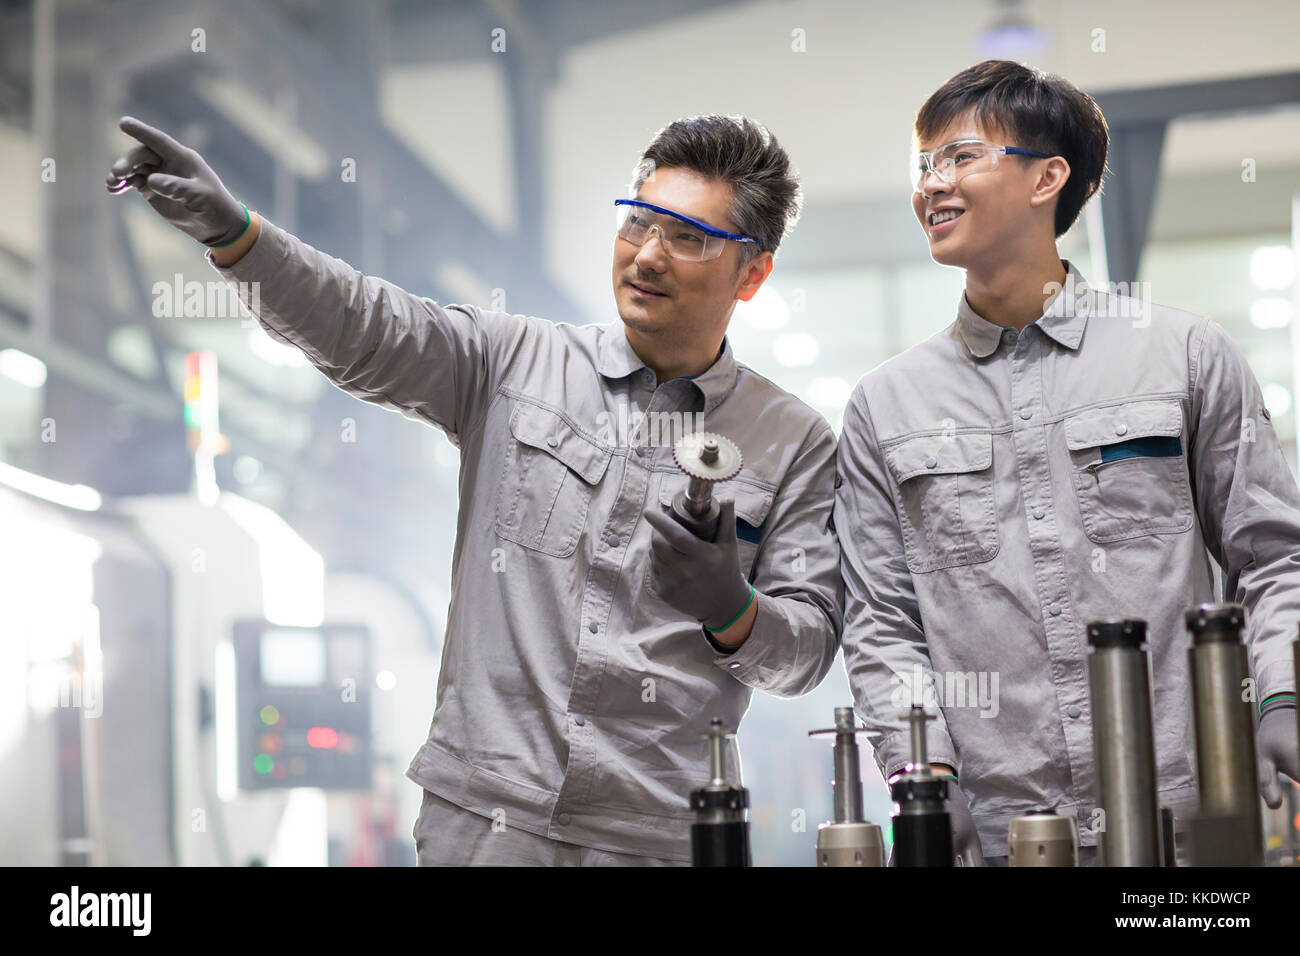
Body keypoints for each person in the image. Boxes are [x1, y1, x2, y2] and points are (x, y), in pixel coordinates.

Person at [107, 113, 842, 866]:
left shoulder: (793, 442)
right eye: (638, 224)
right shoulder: (512, 364)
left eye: (687, 237)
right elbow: (360, 323)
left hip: (658, 839)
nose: (648, 255)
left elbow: (809, 651)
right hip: (485, 825)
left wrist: (734, 611)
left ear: (752, 273)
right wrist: (236, 235)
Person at [835, 59, 1300, 865]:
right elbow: (882, 623)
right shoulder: (886, 405)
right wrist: (921, 777)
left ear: (1049, 177)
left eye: (960, 156)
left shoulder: (1183, 355)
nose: (931, 185)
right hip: (1002, 831)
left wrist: (1283, 698)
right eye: (923, 164)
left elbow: (1275, 556)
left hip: (1191, 824)